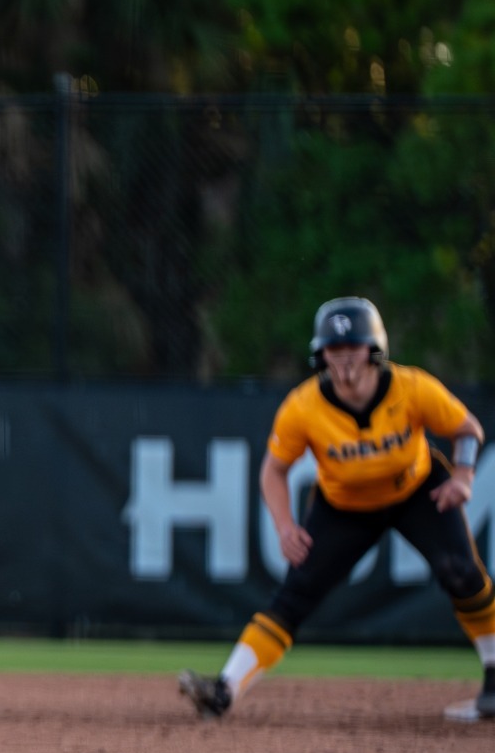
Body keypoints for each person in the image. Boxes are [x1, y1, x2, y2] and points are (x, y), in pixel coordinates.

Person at [180, 297, 495, 722]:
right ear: (321, 354)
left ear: (374, 350)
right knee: (295, 594)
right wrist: (285, 525)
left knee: (461, 572)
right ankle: (224, 690)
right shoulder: (304, 406)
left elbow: (467, 429)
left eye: (353, 347)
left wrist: (464, 476)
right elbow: (273, 471)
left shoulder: (411, 387)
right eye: (334, 349)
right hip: (345, 505)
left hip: (416, 489)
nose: (344, 358)